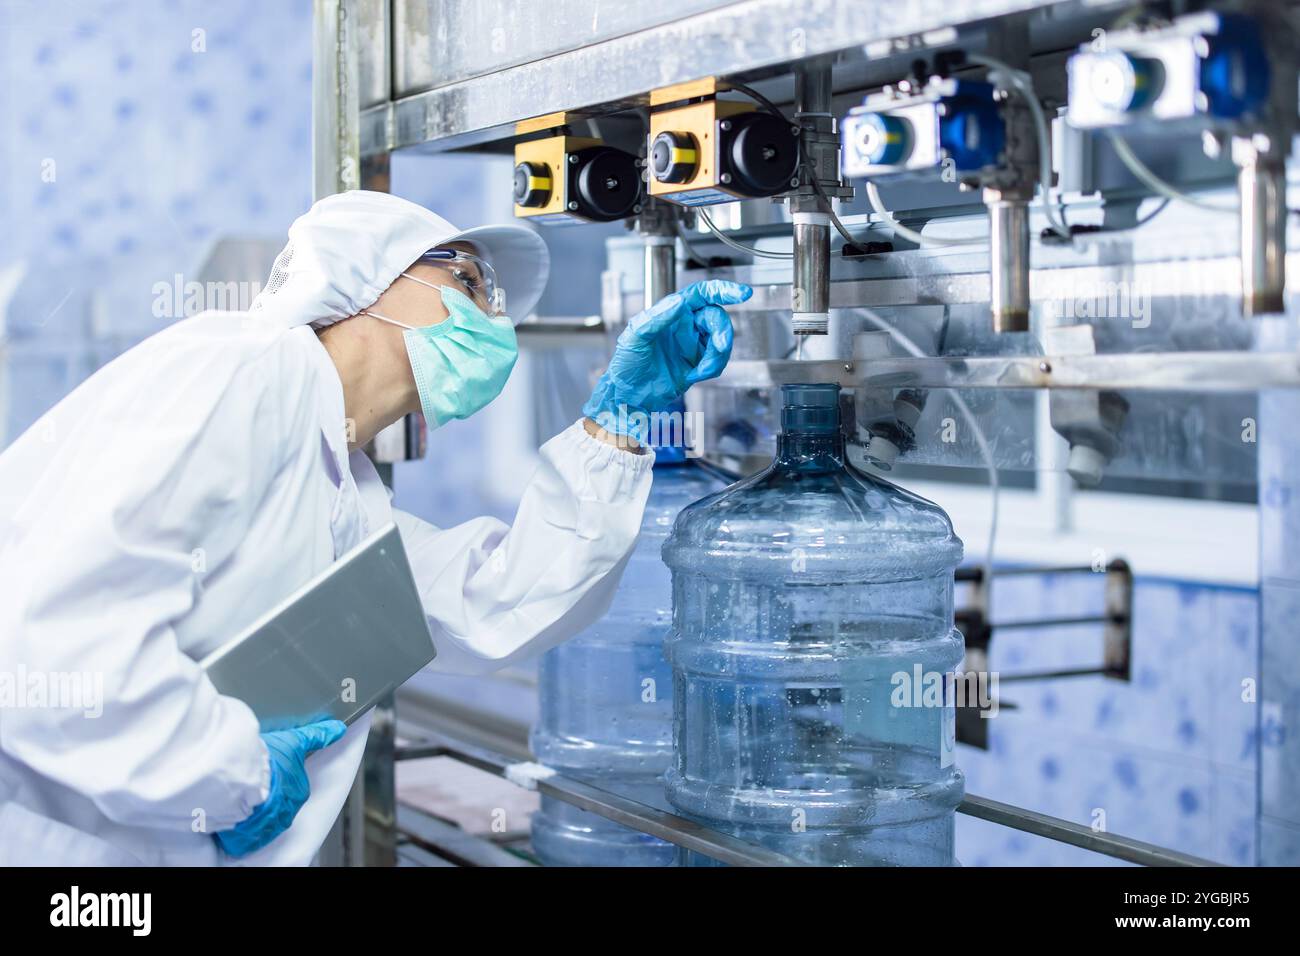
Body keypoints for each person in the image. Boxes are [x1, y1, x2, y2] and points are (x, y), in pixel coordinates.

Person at [0, 190, 751, 865]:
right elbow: (51, 636)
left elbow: (500, 603)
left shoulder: (344, 488)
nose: (493, 320)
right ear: (361, 279)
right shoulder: (246, 368)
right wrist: (234, 774)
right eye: (467, 281)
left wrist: (616, 425)